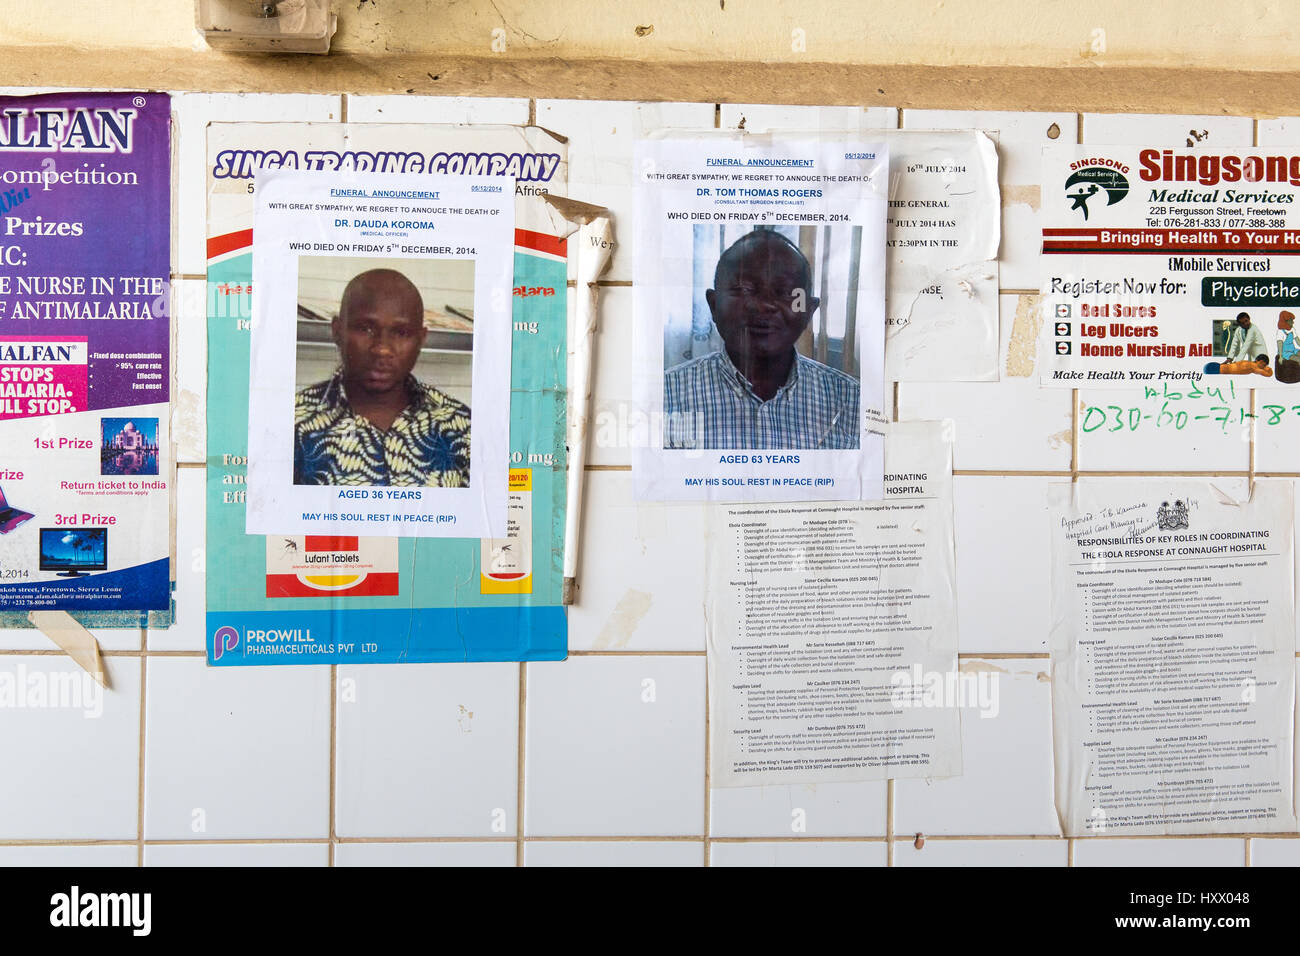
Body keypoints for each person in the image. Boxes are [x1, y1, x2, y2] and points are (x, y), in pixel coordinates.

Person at [663, 229, 859, 450]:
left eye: (786, 292)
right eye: (744, 289)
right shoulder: (666, 396)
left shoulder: (852, 402)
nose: (765, 305)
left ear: (808, 311)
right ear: (714, 305)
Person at [293, 268, 471, 486]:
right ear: (337, 331)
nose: (382, 349)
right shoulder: (292, 423)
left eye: (401, 332)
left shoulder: (461, 425)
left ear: (421, 339)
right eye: (365, 329)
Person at [1276, 310, 1300, 384]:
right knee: (1298, 359)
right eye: (1291, 321)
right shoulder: (1280, 332)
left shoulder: (1292, 329)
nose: (1293, 322)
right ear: (1285, 321)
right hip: (1285, 352)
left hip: (1293, 350)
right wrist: (1280, 356)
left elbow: (1297, 340)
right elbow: (1280, 344)